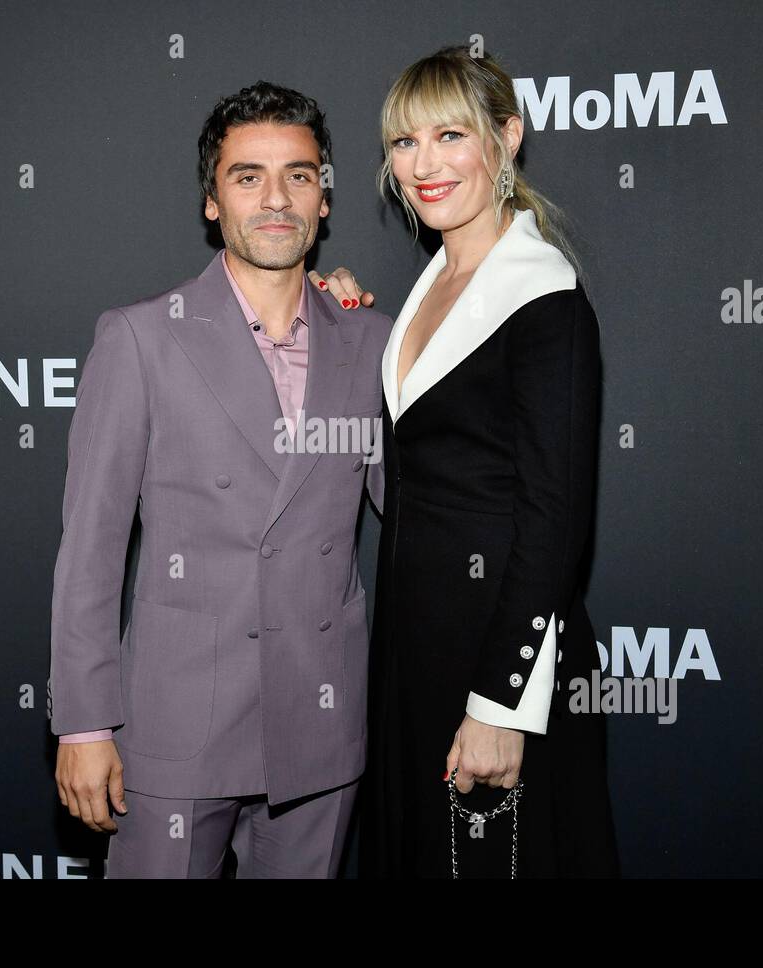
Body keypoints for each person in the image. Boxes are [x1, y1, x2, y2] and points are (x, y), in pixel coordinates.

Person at [48, 80, 389, 878]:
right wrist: (85, 724)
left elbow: (415, 514)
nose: (276, 199)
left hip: (320, 723)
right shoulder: (141, 338)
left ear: (324, 197)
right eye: (248, 177)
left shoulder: (372, 341)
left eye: (299, 175)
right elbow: (91, 548)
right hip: (176, 728)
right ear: (212, 200)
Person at [358, 46, 621, 877]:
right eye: (404, 143)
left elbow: (556, 524)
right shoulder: (435, 280)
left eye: (449, 135)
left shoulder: (544, 297)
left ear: (507, 138)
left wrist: (501, 704)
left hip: (497, 666)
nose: (424, 164)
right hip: (412, 654)